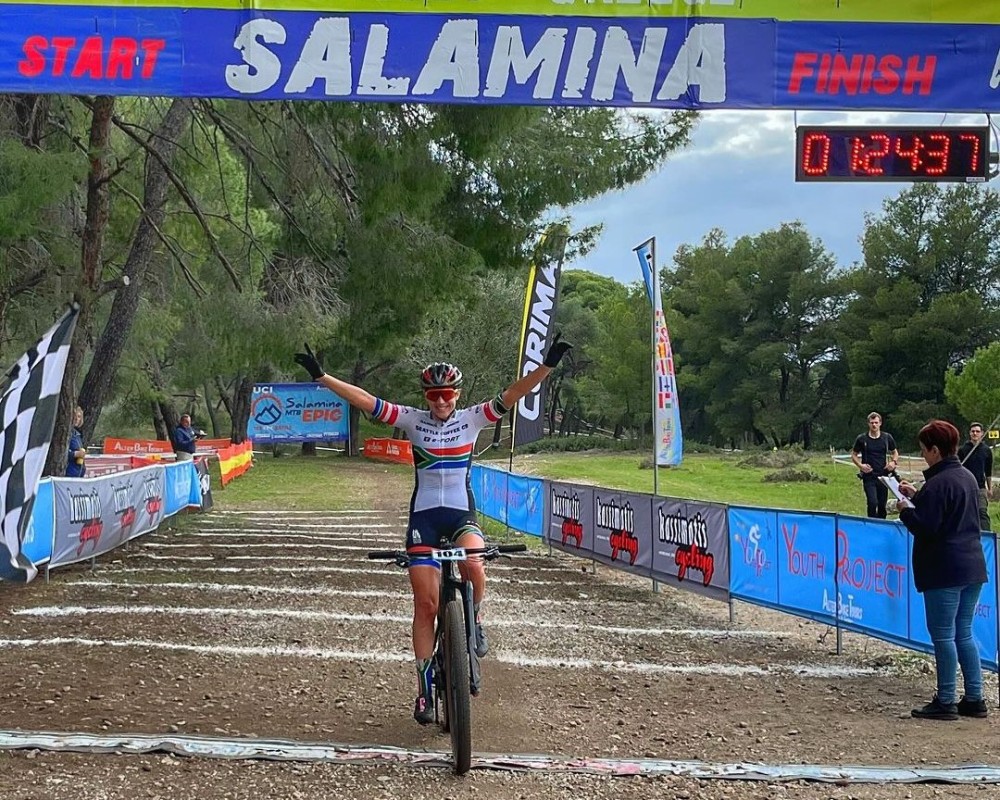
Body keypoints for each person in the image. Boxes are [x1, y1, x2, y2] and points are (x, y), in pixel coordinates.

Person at [294, 337, 572, 725]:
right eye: (434, 396)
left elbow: (515, 391)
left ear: (457, 395)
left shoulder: (473, 417)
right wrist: (322, 377)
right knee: (425, 605)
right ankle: (424, 690)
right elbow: (364, 399)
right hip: (424, 517)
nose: (441, 403)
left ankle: (473, 620)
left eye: (447, 395)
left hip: (459, 514)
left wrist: (548, 366)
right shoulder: (411, 420)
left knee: (475, 562)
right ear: (426, 397)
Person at [896, 420, 988, 721]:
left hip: (944, 569)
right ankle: (975, 697)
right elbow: (948, 511)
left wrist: (907, 511)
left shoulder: (938, 483)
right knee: (964, 632)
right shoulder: (965, 477)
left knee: (943, 635)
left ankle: (946, 698)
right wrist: (918, 494)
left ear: (935, 450)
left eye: (924, 450)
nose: (922, 455)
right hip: (973, 565)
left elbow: (928, 527)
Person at [850, 412, 899, 518]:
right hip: (869, 476)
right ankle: (870, 525)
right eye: (872, 423)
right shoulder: (862, 439)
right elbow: (853, 455)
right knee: (872, 503)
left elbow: (895, 452)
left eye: (876, 422)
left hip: (883, 476)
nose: (874, 425)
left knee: (882, 505)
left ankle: (881, 526)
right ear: (868, 424)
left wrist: (893, 462)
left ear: (880, 423)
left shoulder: (887, 438)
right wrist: (860, 466)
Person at [958, 422, 993, 532]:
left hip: (980, 487)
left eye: (977, 431)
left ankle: (986, 536)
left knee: (982, 512)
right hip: (966, 487)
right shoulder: (963, 450)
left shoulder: (986, 450)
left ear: (982, 433)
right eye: (973, 431)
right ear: (970, 433)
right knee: (967, 513)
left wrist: (990, 488)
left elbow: (988, 471)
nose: (975, 433)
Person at [66, 405, 87, 478]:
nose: (76, 419)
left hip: (78, 476)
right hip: (68, 475)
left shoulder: (77, 435)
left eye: (79, 416)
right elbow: (59, 453)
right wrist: (75, 454)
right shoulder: (65, 433)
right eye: (74, 416)